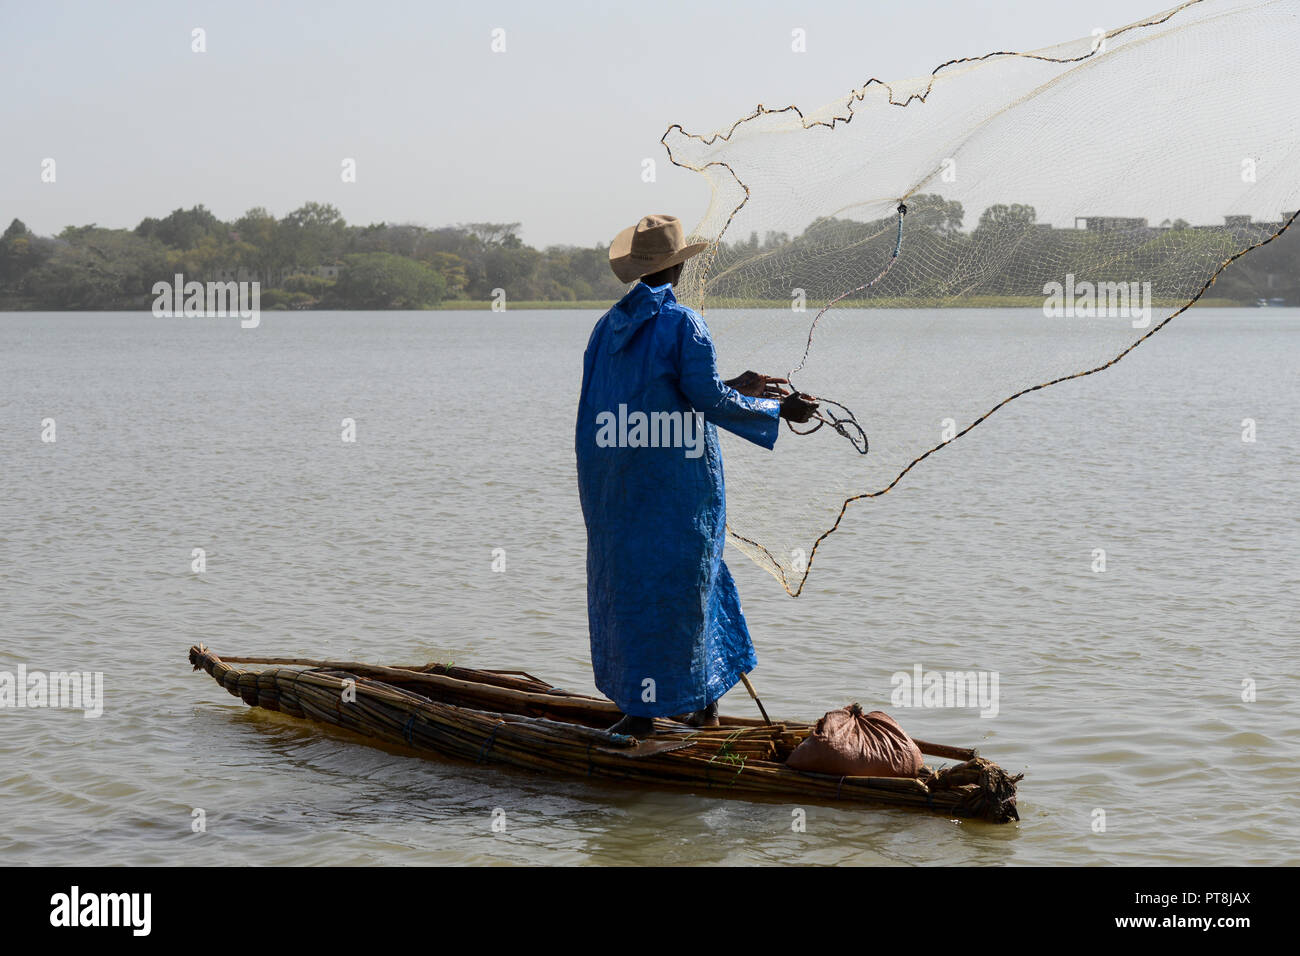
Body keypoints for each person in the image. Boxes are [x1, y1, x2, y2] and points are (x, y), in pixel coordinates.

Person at [575, 214, 818, 737]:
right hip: (677, 487)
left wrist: (739, 385)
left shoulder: (608, 327)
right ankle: (687, 706)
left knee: (633, 586)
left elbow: (648, 397)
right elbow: (704, 399)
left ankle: (653, 710)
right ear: (679, 268)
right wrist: (781, 410)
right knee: (691, 582)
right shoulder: (685, 324)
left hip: (618, 488)